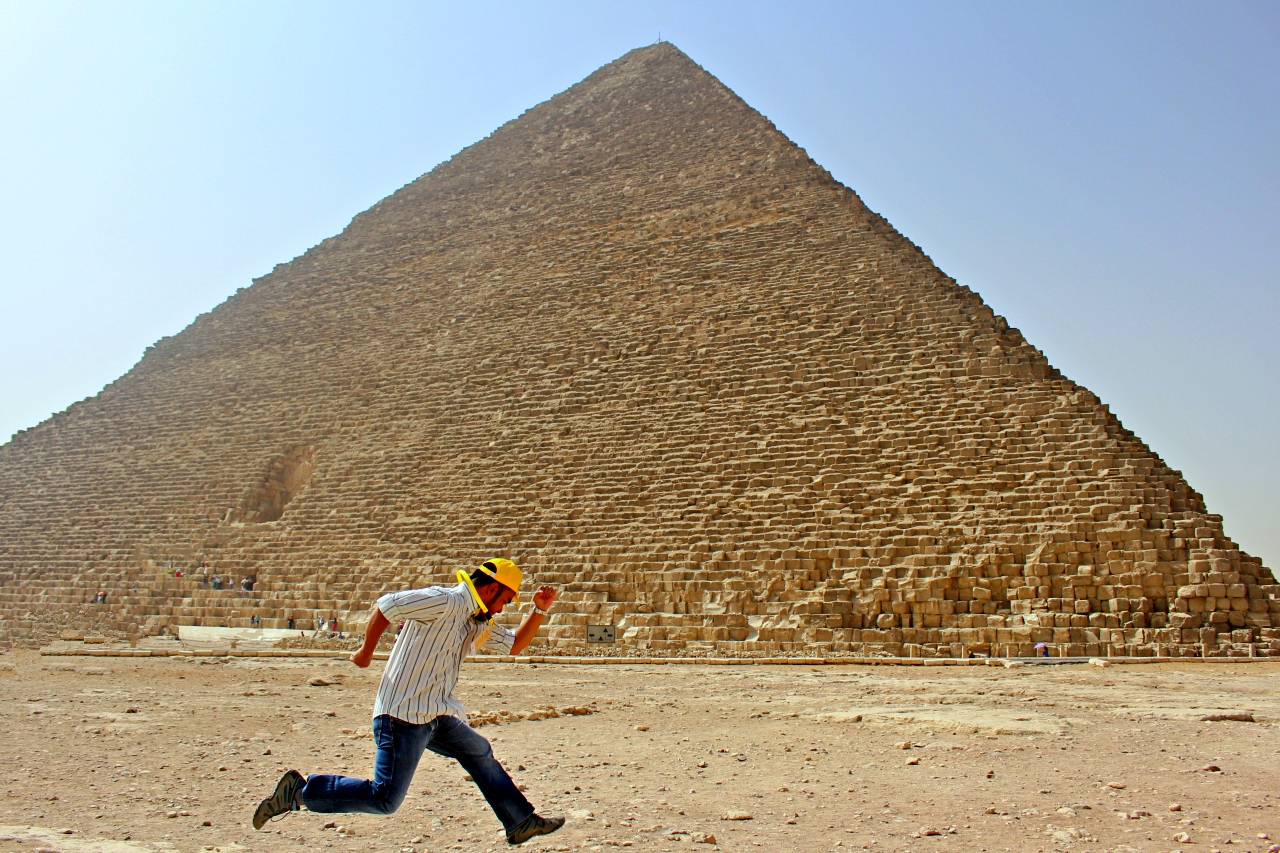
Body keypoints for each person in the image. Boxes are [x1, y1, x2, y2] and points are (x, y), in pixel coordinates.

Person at [252, 559, 564, 846]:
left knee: (479, 751)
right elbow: (386, 606)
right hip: (402, 715)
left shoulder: (476, 621)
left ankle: (520, 821)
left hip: (436, 713)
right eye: (505, 601)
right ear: (492, 589)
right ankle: (300, 792)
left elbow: (514, 645)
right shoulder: (445, 601)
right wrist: (366, 652)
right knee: (385, 799)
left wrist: (538, 610)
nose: (502, 609)